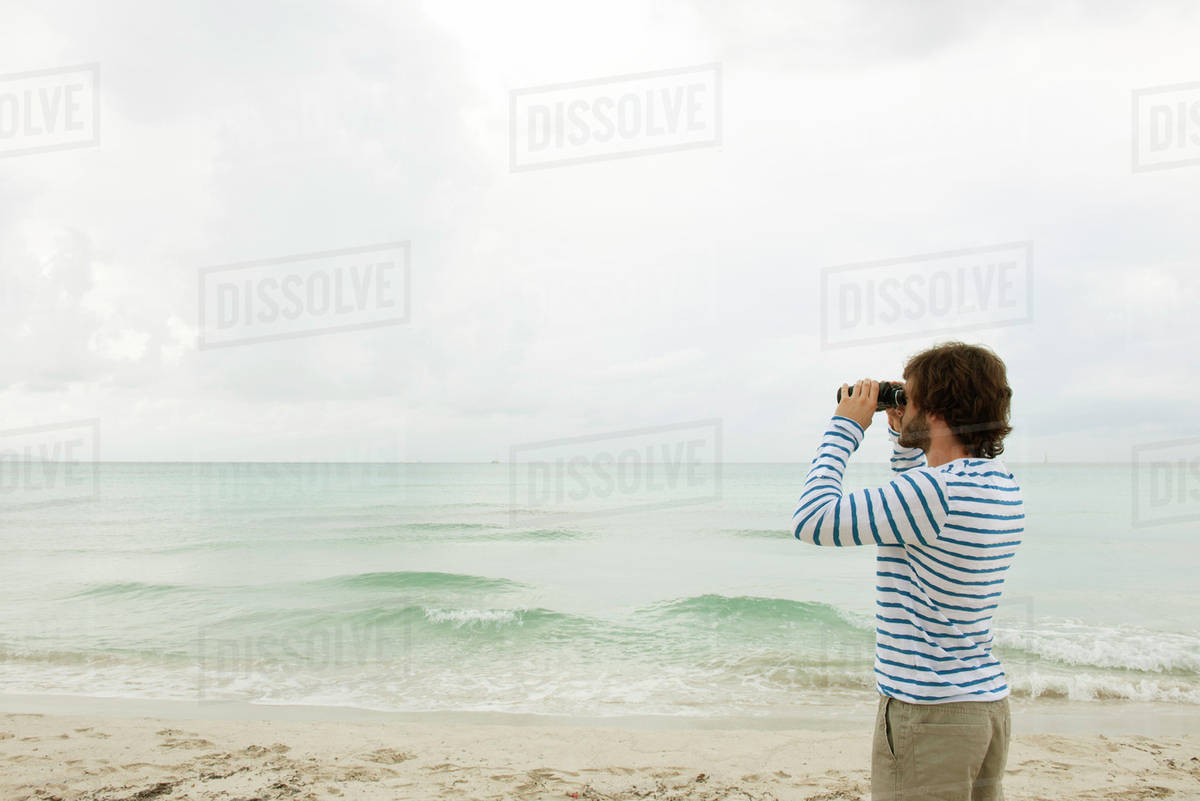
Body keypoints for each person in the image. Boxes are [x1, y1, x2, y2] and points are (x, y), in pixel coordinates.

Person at [790, 341, 1020, 801]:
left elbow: (811, 520)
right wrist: (906, 442)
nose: (902, 404)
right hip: (982, 707)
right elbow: (912, 516)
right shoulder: (998, 483)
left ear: (935, 410)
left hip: (928, 714)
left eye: (909, 397)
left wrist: (844, 428)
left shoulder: (933, 494)